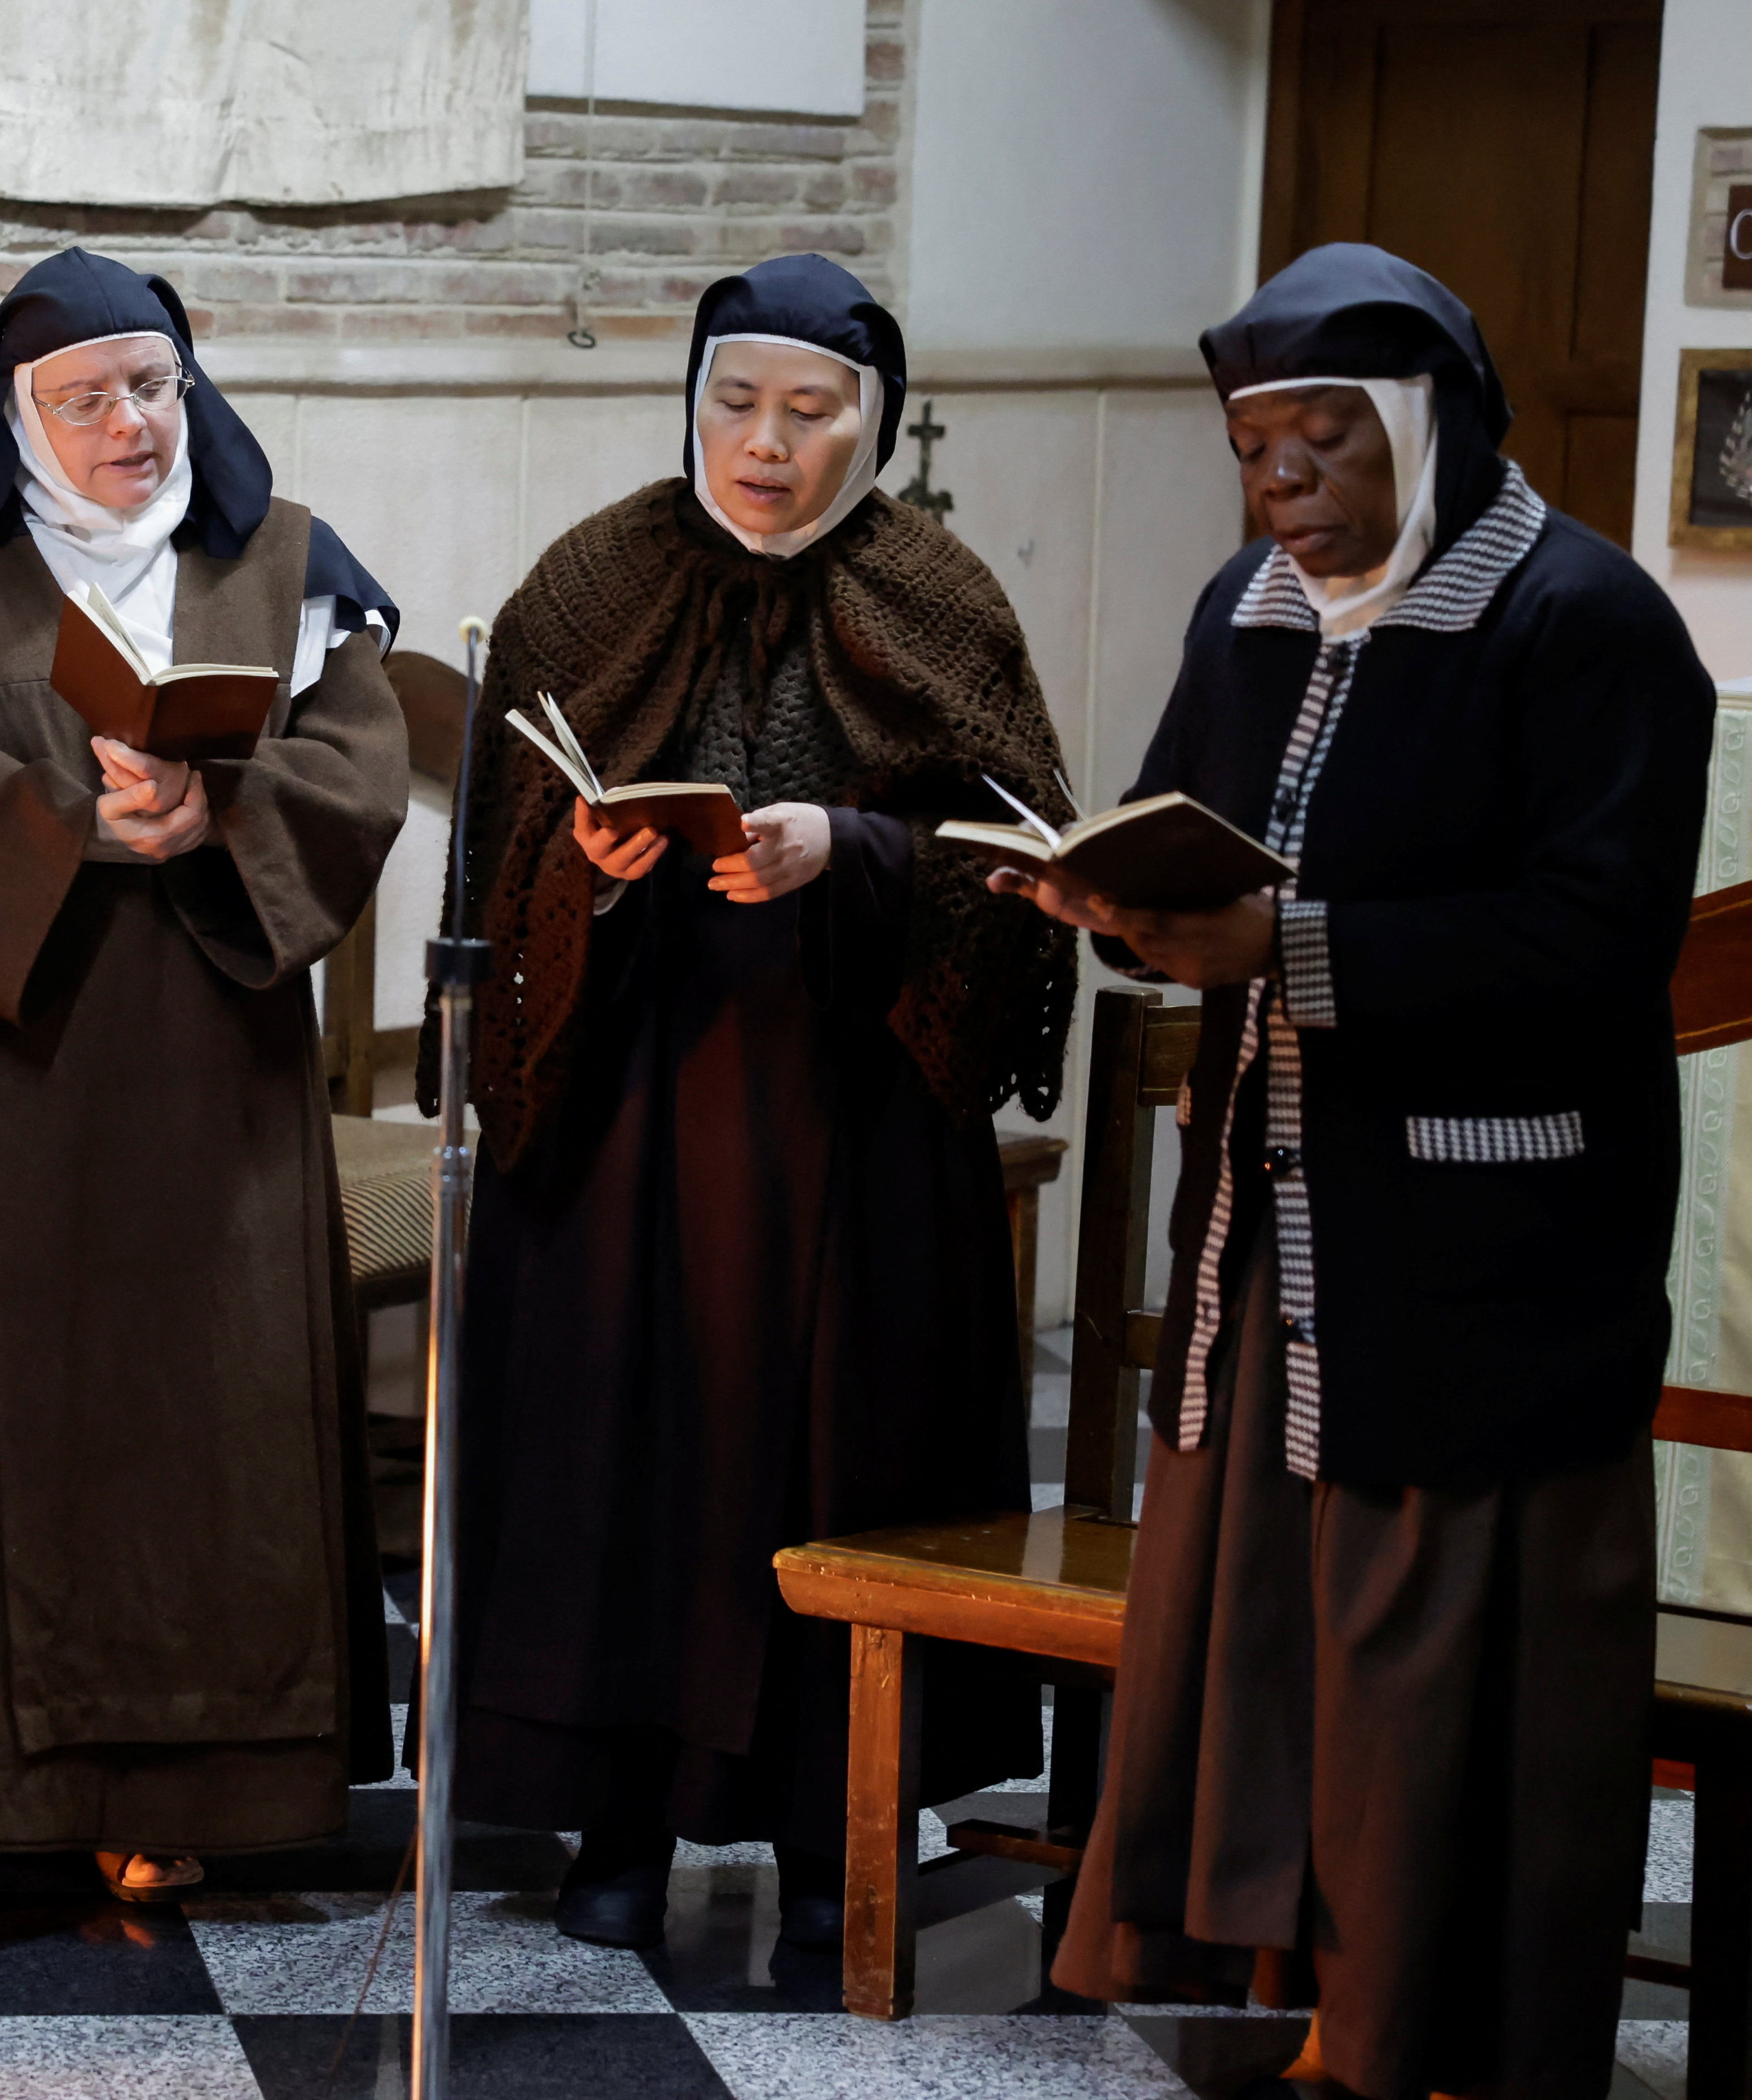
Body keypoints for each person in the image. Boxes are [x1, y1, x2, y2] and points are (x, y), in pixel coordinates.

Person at [1002, 246, 1714, 2100]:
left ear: (1435, 427)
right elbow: (1179, 822)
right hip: (1274, 1212)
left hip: (1482, 1233)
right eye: (1255, 450)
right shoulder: (1248, 606)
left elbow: (1599, 933)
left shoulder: (1585, 620)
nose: (1283, 488)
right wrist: (1120, 908)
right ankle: (1306, 1987)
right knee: (1273, 1633)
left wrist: (1293, 951)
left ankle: (1420, 2035)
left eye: (1326, 441)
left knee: (1429, 1662)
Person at [434, 253, 1076, 1950]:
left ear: (869, 420)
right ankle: (617, 1831)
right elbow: (497, 850)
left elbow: (1021, 864)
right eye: (736, 405)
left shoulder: (940, 598)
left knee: (829, 1461)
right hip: (626, 1119)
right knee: (616, 1459)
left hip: (851, 1124)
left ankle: (826, 1834)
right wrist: (586, 865)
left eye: (808, 413)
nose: (766, 446)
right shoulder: (592, 580)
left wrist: (850, 848)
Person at [0, 246, 410, 1909]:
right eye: (86, 397)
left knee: (207, 1431)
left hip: (209, 1079)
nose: (128, 422)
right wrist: (66, 821)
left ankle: (195, 1790)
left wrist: (219, 818)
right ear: (15, 413)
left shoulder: (280, 561)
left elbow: (356, 764)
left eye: (151, 385)